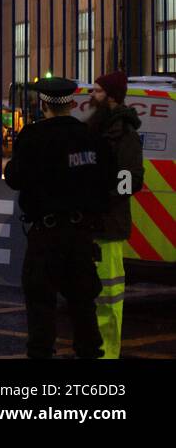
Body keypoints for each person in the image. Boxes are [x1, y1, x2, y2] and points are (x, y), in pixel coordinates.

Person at [5, 76, 111, 359]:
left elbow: (15, 178)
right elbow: (106, 181)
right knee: (83, 303)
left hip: (46, 234)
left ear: (43, 104)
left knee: (41, 303)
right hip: (80, 234)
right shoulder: (90, 136)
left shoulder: (33, 137)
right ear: (71, 103)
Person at [87, 70, 143, 359]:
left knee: (108, 296)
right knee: (91, 295)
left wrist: (102, 193)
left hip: (108, 226)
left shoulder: (126, 135)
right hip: (91, 224)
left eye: (97, 91)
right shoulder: (98, 128)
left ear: (110, 96)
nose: (91, 96)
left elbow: (132, 179)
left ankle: (108, 354)